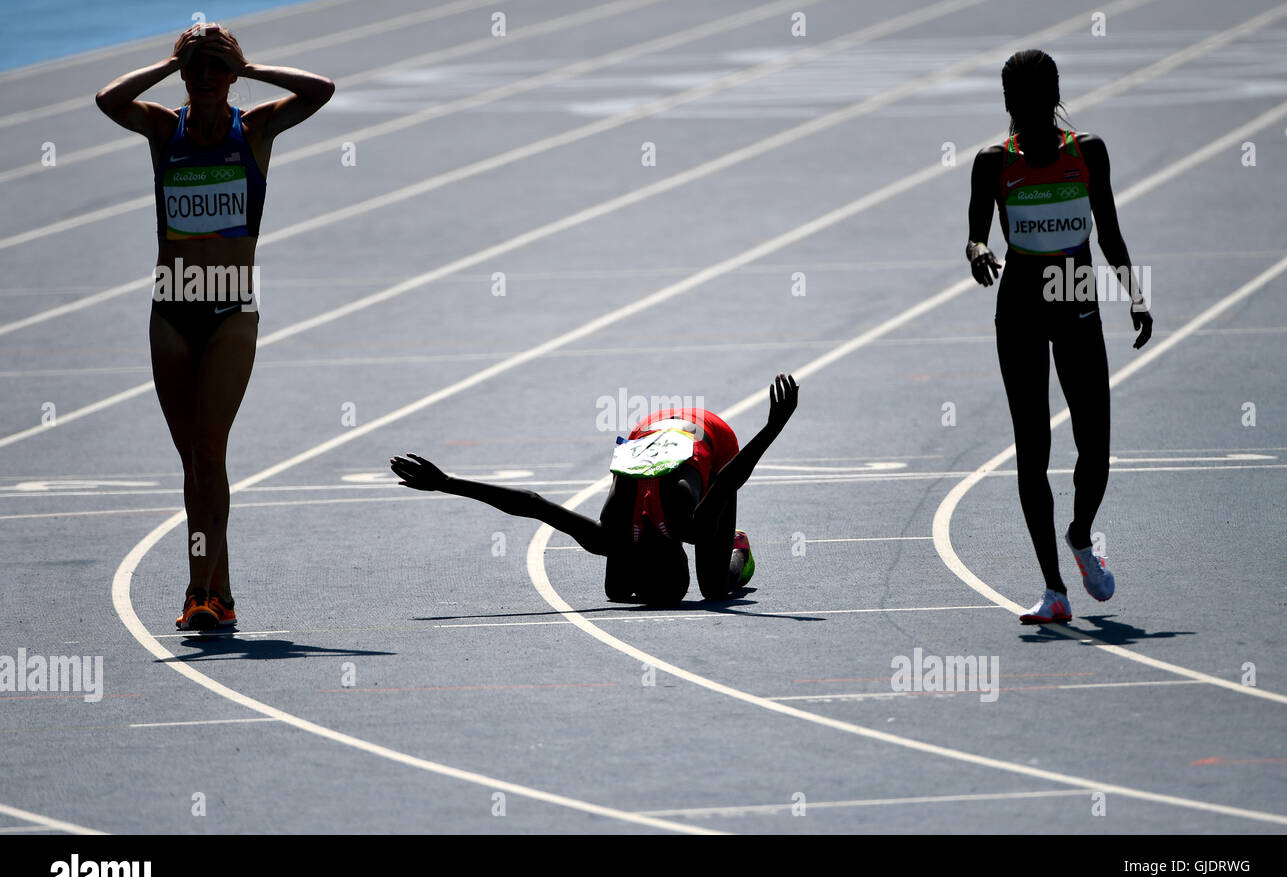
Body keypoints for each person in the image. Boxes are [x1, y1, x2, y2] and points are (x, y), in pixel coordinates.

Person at [96, 24, 334, 629]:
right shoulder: (162, 128)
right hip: (172, 308)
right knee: (194, 463)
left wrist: (248, 68)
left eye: (215, 67)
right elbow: (108, 100)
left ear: (231, 74)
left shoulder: (253, 129)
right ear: (182, 73)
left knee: (209, 450)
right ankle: (219, 595)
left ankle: (196, 590)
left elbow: (322, 90)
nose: (204, 76)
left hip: (231, 309)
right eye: (195, 67)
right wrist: (169, 60)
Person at [964, 49, 1153, 625]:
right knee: (1033, 449)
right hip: (1020, 299)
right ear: (1007, 105)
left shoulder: (1087, 152)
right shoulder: (992, 162)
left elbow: (1111, 233)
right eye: (1015, 104)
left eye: (1033, 102)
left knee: (1095, 444)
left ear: (1052, 99)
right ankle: (1053, 590)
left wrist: (1135, 294)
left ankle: (1078, 535)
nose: (1024, 112)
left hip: (1073, 288)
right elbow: (974, 234)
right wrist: (978, 252)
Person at [389, 375, 799, 606]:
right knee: (709, 590)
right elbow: (535, 505)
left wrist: (448, 483)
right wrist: (445, 483)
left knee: (626, 592)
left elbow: (536, 505)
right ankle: (733, 547)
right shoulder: (671, 527)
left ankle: (735, 547)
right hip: (687, 436)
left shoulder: (638, 530)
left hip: (703, 439)